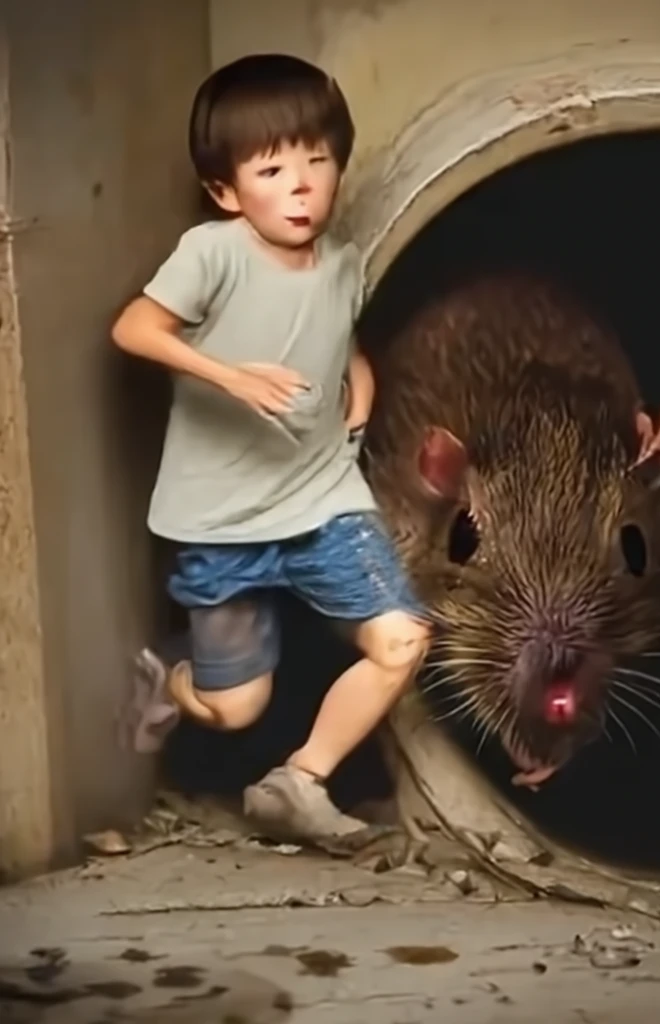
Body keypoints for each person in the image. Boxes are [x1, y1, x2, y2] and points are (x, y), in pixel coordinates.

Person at [111, 53, 430, 844]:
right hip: (222, 519)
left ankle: (300, 780)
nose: (300, 184)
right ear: (226, 190)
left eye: (317, 161)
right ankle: (173, 676)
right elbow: (133, 329)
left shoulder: (346, 266)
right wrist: (226, 376)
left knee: (404, 639)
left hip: (323, 503)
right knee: (235, 707)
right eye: (272, 167)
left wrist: (361, 377)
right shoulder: (211, 252)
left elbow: (334, 334)